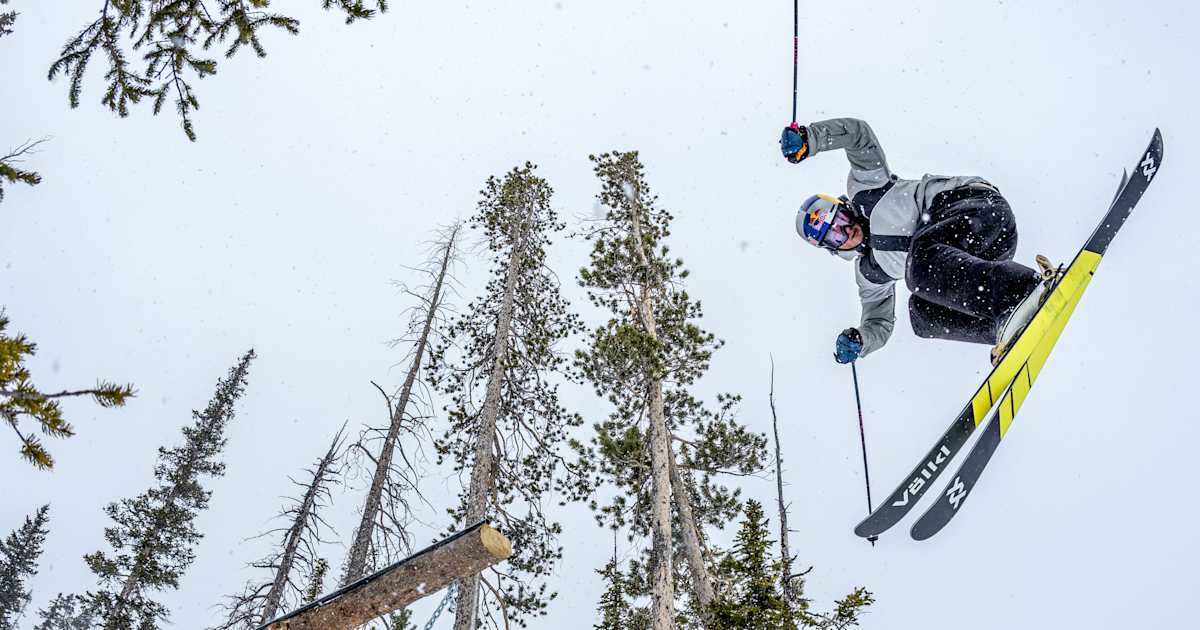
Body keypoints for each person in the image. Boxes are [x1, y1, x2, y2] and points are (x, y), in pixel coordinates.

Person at [779, 118, 1055, 364]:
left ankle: (1024, 289)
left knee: (919, 265)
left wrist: (810, 138)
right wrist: (862, 340)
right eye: (835, 234)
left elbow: (857, 134)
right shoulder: (871, 274)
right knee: (920, 315)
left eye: (841, 220)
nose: (846, 230)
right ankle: (1005, 324)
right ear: (832, 248)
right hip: (983, 262)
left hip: (977, 209)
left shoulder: (868, 189)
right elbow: (879, 323)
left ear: (844, 205)